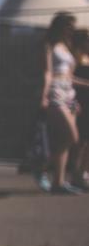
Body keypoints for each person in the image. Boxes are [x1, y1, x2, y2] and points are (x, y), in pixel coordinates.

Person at [40, 12, 82, 195]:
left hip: (69, 92)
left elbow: (70, 76)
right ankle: (41, 167)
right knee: (72, 136)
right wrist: (44, 95)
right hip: (55, 90)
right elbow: (47, 72)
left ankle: (59, 182)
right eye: (68, 26)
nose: (70, 29)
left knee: (63, 141)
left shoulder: (67, 47)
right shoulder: (49, 45)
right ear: (59, 26)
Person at [71, 29, 89, 190]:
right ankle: (76, 175)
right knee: (81, 141)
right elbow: (68, 78)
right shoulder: (75, 58)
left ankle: (83, 174)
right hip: (81, 101)